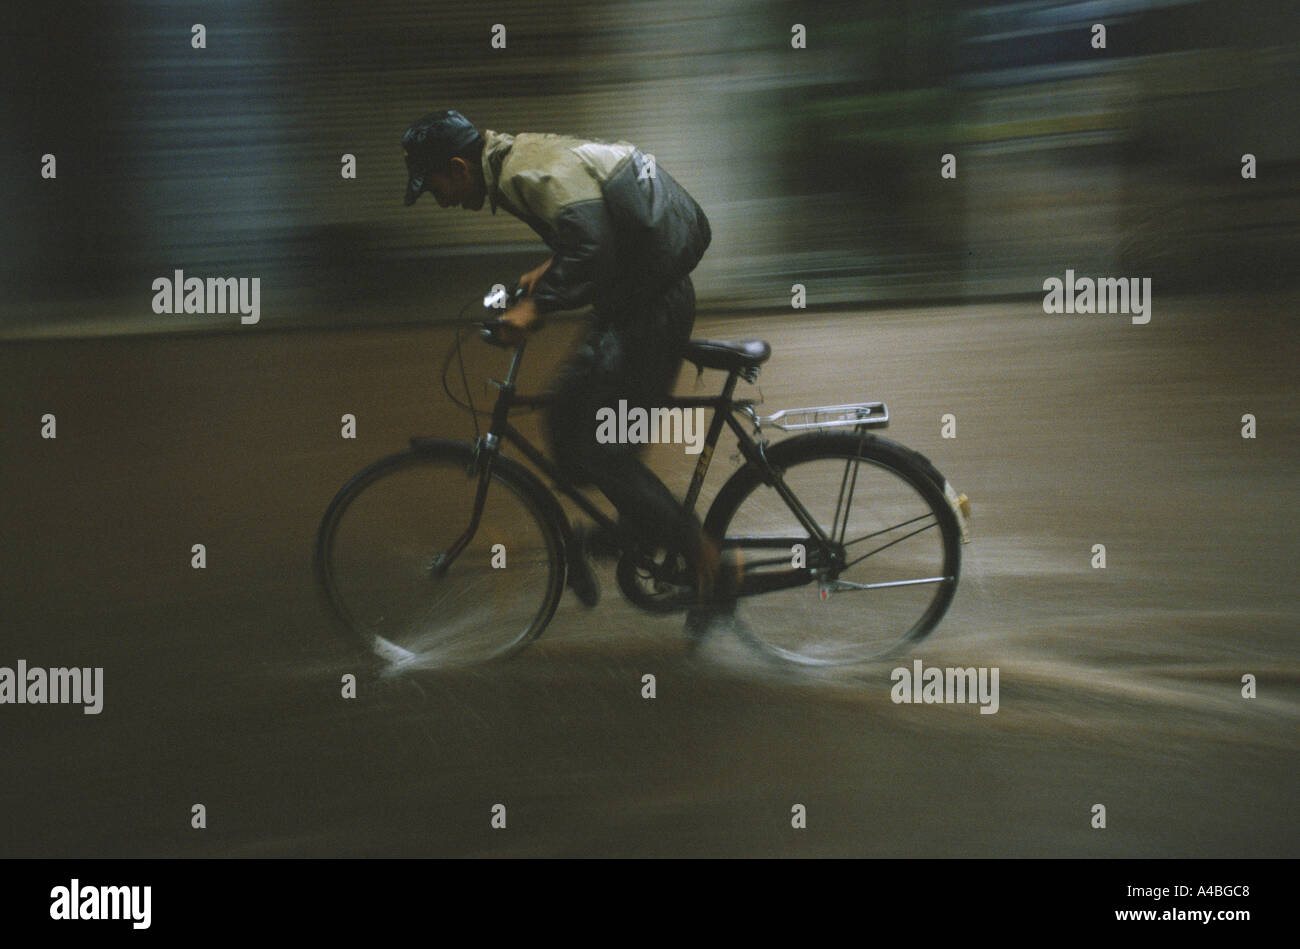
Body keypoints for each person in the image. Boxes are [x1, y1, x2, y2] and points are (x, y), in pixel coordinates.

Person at [402, 109, 738, 622]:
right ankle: (639, 527)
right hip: (635, 294)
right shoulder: (516, 160)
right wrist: (548, 271)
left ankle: (706, 557)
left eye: (434, 186)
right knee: (566, 418)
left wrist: (534, 309)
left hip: (652, 305)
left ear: (459, 167)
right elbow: (593, 225)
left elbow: (593, 244)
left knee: (602, 449)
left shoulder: (520, 173)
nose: (439, 199)